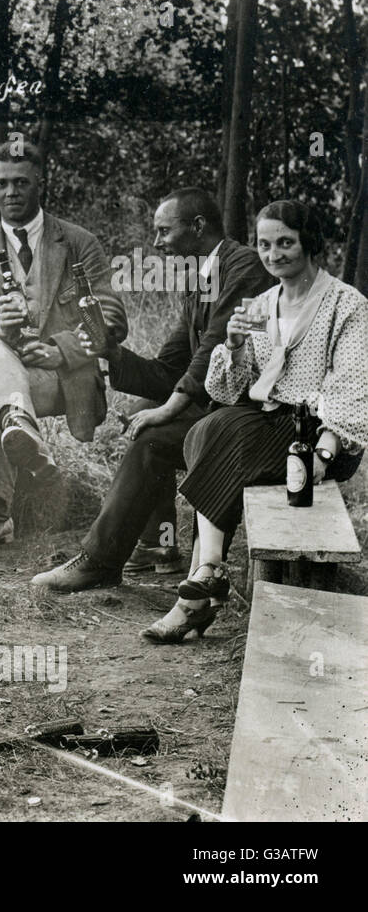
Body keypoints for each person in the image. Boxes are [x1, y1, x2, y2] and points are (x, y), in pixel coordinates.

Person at [143, 200, 368, 643]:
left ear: (310, 242)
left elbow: (352, 388)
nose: (273, 254)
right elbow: (225, 391)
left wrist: (323, 454)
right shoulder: (262, 304)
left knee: (222, 432)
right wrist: (235, 346)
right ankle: (205, 576)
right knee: (209, 428)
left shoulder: (348, 306)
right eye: (264, 245)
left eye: (285, 242)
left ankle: (199, 589)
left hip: (320, 435)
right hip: (265, 423)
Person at [32, 188, 273, 591]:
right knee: (140, 412)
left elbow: (213, 349)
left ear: (198, 227)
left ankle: (100, 560)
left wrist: (166, 411)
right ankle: (156, 546)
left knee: (153, 436)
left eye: (164, 231)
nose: (157, 243)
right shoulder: (200, 278)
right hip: (219, 404)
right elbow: (170, 369)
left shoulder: (243, 265)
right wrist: (110, 351)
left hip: (249, 417)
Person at [0, 141, 127, 548]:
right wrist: (2, 327)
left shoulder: (79, 243)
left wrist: (62, 349)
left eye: (21, 182)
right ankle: (19, 426)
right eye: (2, 184)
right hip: (7, 365)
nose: (11, 192)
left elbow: (113, 320)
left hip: (64, 378)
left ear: (40, 184)